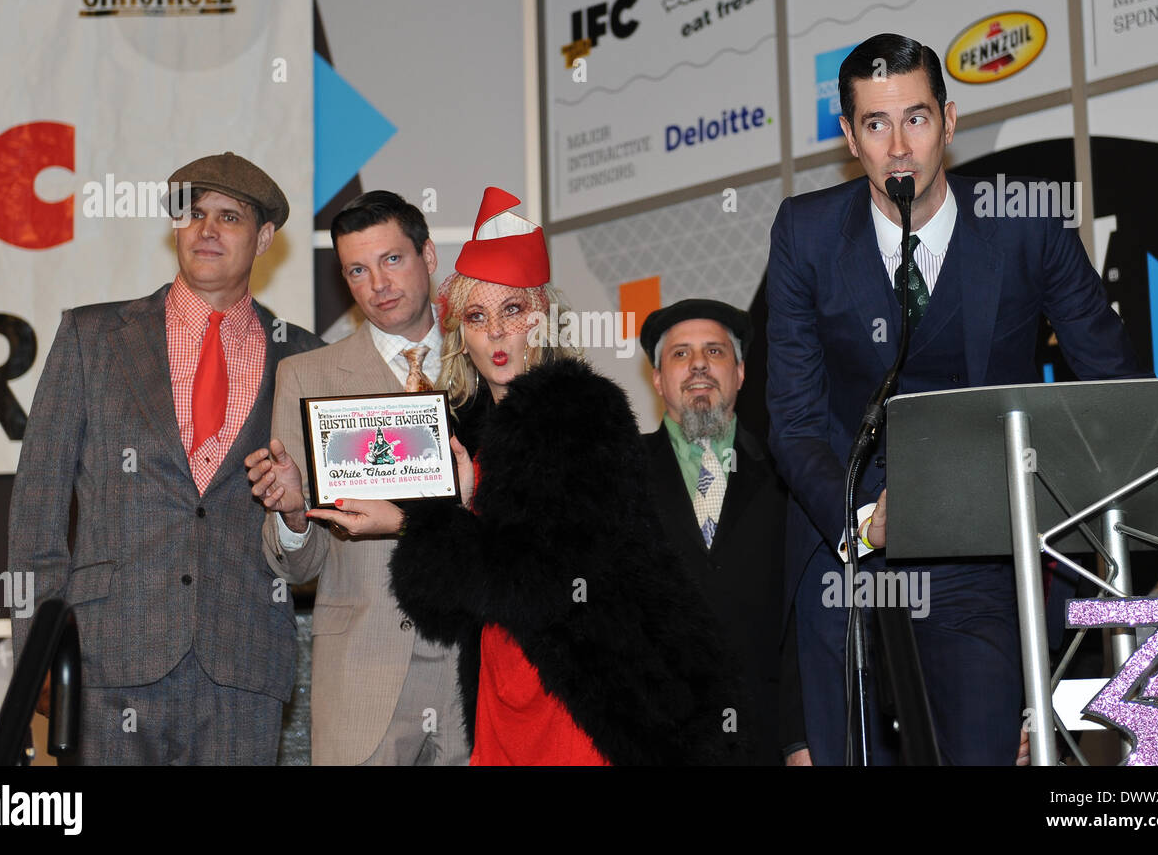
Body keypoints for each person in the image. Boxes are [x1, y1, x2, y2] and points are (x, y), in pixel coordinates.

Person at [766, 33, 1147, 765]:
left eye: (916, 118)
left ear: (949, 118)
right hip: (845, 546)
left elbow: (1111, 387)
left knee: (979, 746)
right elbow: (795, 420)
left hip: (980, 544)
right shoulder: (805, 235)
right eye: (876, 124)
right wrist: (864, 523)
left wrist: (1047, 506)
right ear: (849, 136)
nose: (900, 147)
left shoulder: (1025, 225)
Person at [314, 186, 744, 764]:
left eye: (511, 311)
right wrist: (407, 519)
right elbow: (436, 606)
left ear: (541, 318)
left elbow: (538, 581)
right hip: (500, 688)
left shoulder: (581, 409)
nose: (495, 332)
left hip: (579, 698)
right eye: (476, 315)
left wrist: (442, 516)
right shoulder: (460, 430)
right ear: (459, 334)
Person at [8, 152, 322, 764]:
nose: (206, 229)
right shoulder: (91, 338)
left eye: (228, 217)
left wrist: (296, 515)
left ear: (264, 238)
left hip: (244, 667)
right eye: (193, 213)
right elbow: (35, 519)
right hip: (109, 658)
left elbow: (315, 550)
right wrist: (35, 656)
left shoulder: (306, 361)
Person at [244, 190, 467, 766]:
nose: (378, 284)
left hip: (481, 664)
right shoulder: (306, 376)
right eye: (358, 271)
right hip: (364, 669)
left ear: (428, 255)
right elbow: (297, 565)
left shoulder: (490, 362)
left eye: (392, 260)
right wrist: (293, 514)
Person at [640, 298, 808, 766]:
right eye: (680, 354)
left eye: (714, 352)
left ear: (740, 373)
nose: (697, 364)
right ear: (656, 379)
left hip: (768, 739)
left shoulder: (791, 473)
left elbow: (805, 623)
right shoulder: (617, 473)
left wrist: (800, 739)